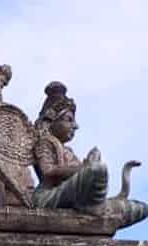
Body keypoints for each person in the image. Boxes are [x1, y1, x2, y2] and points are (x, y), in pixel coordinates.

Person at [30, 81, 108, 211]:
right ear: (51, 122)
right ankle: (94, 205)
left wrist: (87, 164)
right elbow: (48, 171)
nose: (75, 126)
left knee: (140, 208)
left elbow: (80, 173)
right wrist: (84, 169)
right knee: (97, 170)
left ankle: (96, 205)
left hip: (64, 191)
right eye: (69, 120)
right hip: (47, 197)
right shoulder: (44, 142)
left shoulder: (67, 151)